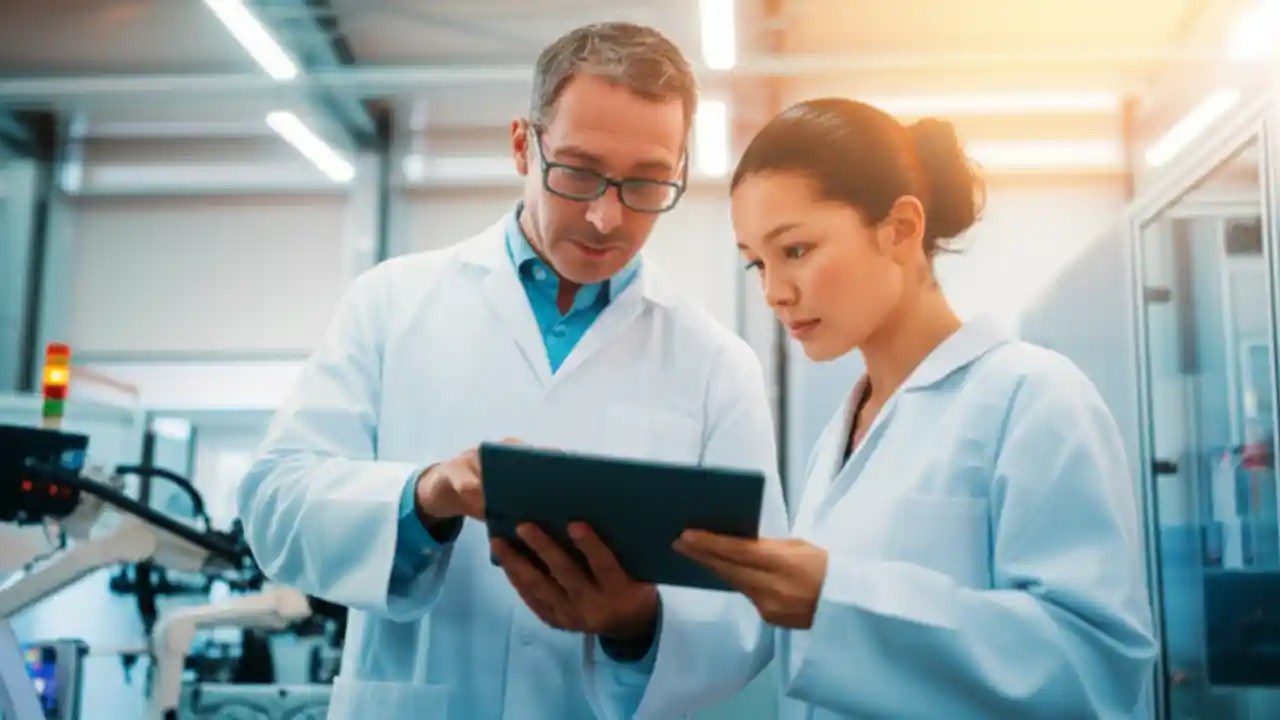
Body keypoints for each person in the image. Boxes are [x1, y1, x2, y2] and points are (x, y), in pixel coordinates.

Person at [236, 21, 785, 720]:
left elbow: (752, 605)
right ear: (524, 144)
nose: (605, 216)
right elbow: (275, 505)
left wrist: (634, 622)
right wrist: (425, 495)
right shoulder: (392, 303)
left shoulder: (716, 364)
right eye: (579, 171)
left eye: (647, 183)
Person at [675, 98, 1159, 718]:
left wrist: (835, 598)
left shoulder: (1033, 397)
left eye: (795, 250)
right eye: (757, 263)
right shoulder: (838, 439)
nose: (774, 292)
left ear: (901, 228)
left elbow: (1094, 668)